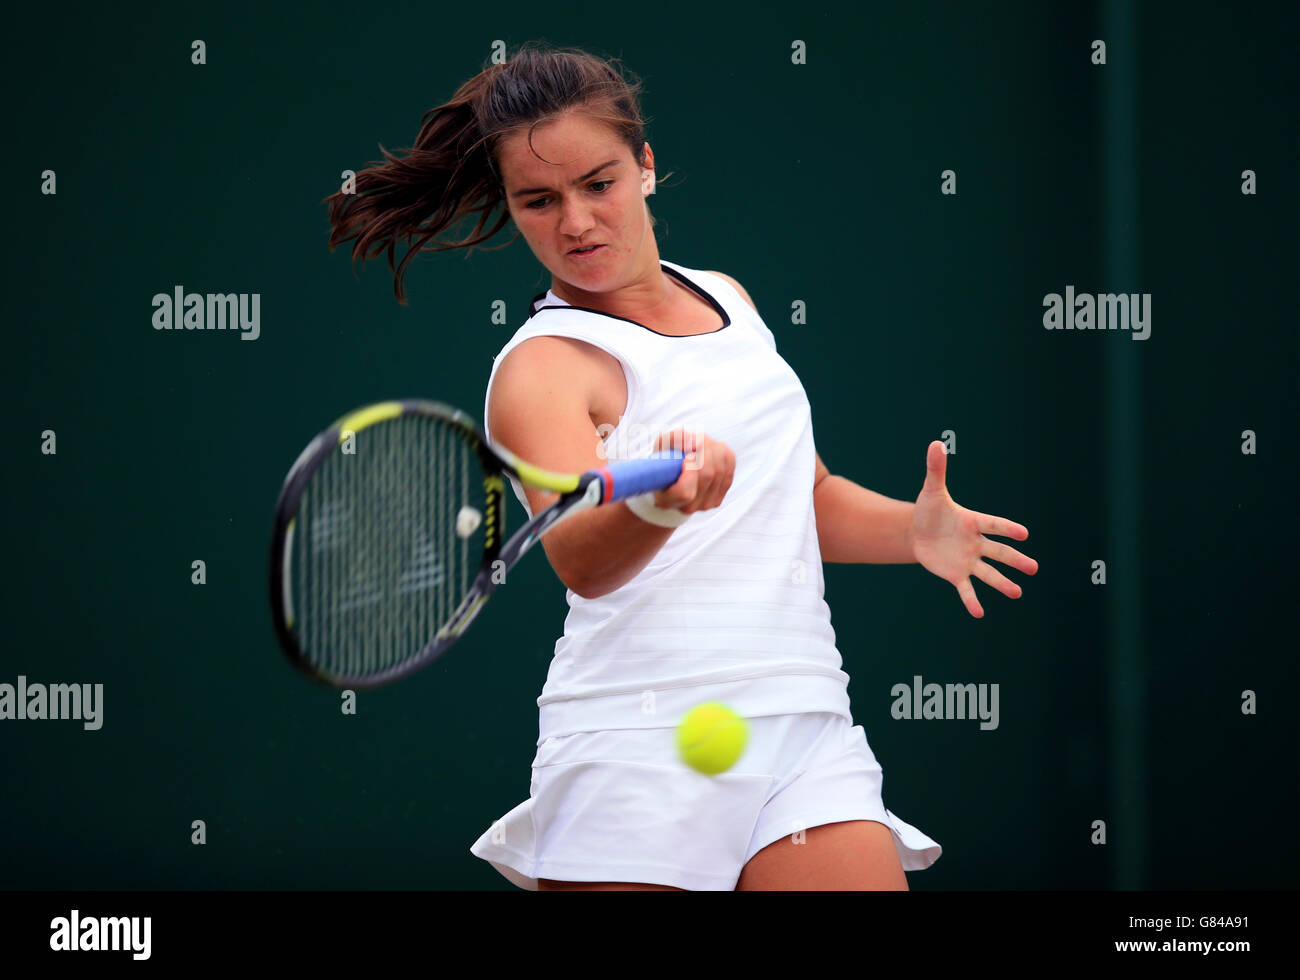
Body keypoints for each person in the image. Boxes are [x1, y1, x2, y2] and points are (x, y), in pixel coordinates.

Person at [325, 41, 1038, 891]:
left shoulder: (729, 297)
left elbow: (800, 500)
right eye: (539, 200)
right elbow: (581, 560)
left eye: (600, 183)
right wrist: (662, 507)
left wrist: (911, 532)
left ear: (646, 165)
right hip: (633, 743)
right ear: (513, 208)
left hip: (802, 723)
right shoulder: (542, 368)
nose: (578, 222)